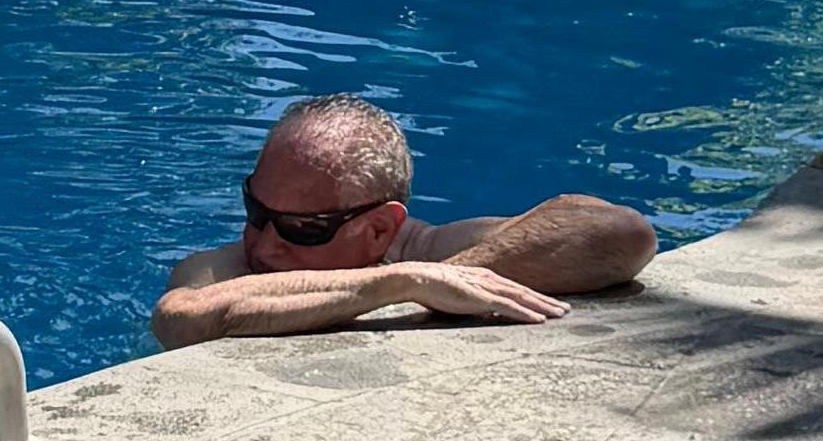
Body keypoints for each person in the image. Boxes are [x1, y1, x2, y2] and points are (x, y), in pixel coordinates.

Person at [154, 92, 656, 346]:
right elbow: (181, 319)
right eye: (256, 211)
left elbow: (620, 232)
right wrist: (397, 285)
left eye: (302, 229)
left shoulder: (433, 250)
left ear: (380, 229)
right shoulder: (224, 268)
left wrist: (437, 276)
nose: (264, 246)